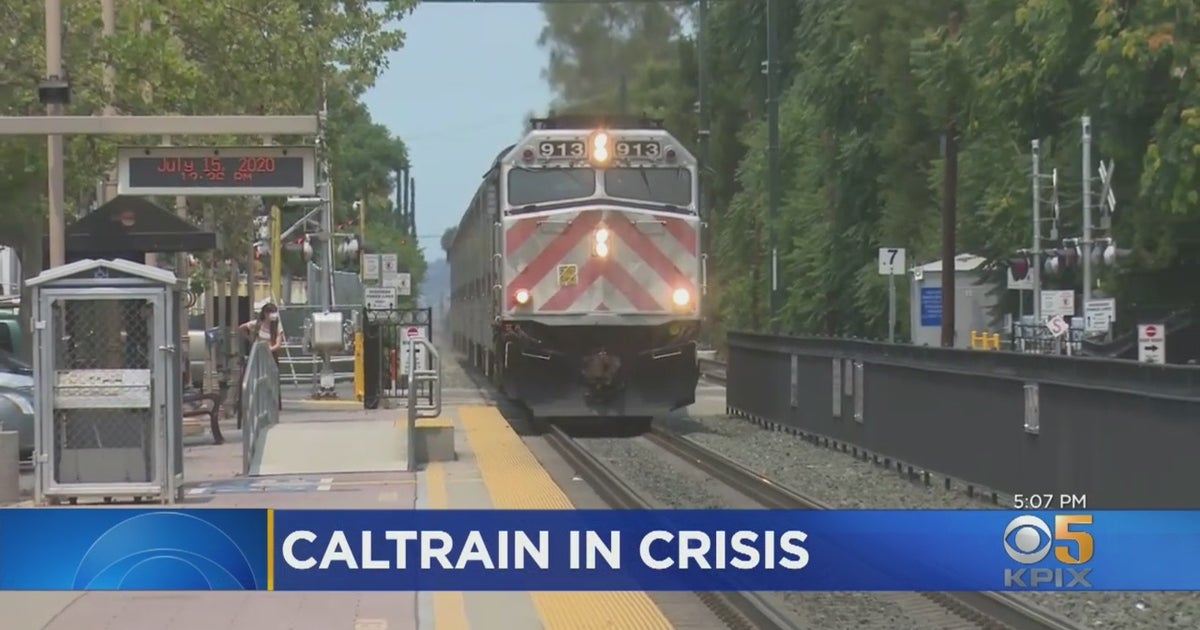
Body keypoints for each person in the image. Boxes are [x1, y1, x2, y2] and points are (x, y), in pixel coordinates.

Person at [239, 303, 285, 409]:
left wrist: (268, 349)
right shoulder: (258, 324)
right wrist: (251, 340)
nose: (272, 315)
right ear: (265, 313)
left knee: (272, 379)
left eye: (274, 312)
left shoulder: (276, 326)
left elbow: (278, 344)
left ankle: (273, 403)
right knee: (260, 379)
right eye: (270, 312)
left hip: (271, 356)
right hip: (259, 356)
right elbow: (241, 328)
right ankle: (260, 402)